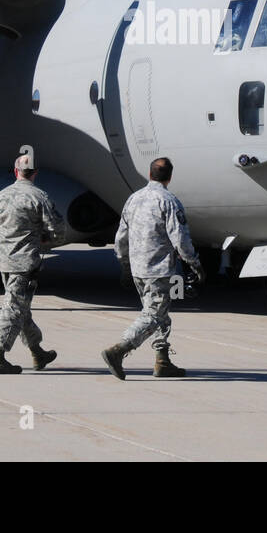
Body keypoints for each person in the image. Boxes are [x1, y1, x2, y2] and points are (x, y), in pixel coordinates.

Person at [101, 157, 204, 379]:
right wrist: (194, 263)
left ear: (149, 174)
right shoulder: (169, 201)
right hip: (158, 269)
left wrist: (124, 264)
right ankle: (119, 350)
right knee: (154, 315)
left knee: (160, 313)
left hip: (138, 268)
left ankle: (162, 360)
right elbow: (180, 239)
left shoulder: (133, 199)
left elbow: (121, 237)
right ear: (170, 177)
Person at [0, 153, 65, 374]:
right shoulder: (39, 197)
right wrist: (44, 239)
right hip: (26, 263)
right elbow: (59, 230)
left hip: (5, 261)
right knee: (13, 309)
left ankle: (37, 351)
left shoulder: (1, 196)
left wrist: (7, 241)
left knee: (20, 308)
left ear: (16, 171)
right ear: (35, 173)